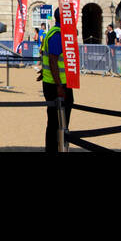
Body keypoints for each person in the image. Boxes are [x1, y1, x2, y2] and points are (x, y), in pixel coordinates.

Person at [38, 21, 73, 151]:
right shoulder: (58, 34)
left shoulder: (52, 32)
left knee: (54, 121)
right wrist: (59, 86)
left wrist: (43, 72)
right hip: (58, 85)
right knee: (57, 122)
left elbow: (45, 55)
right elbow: (53, 60)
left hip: (53, 82)